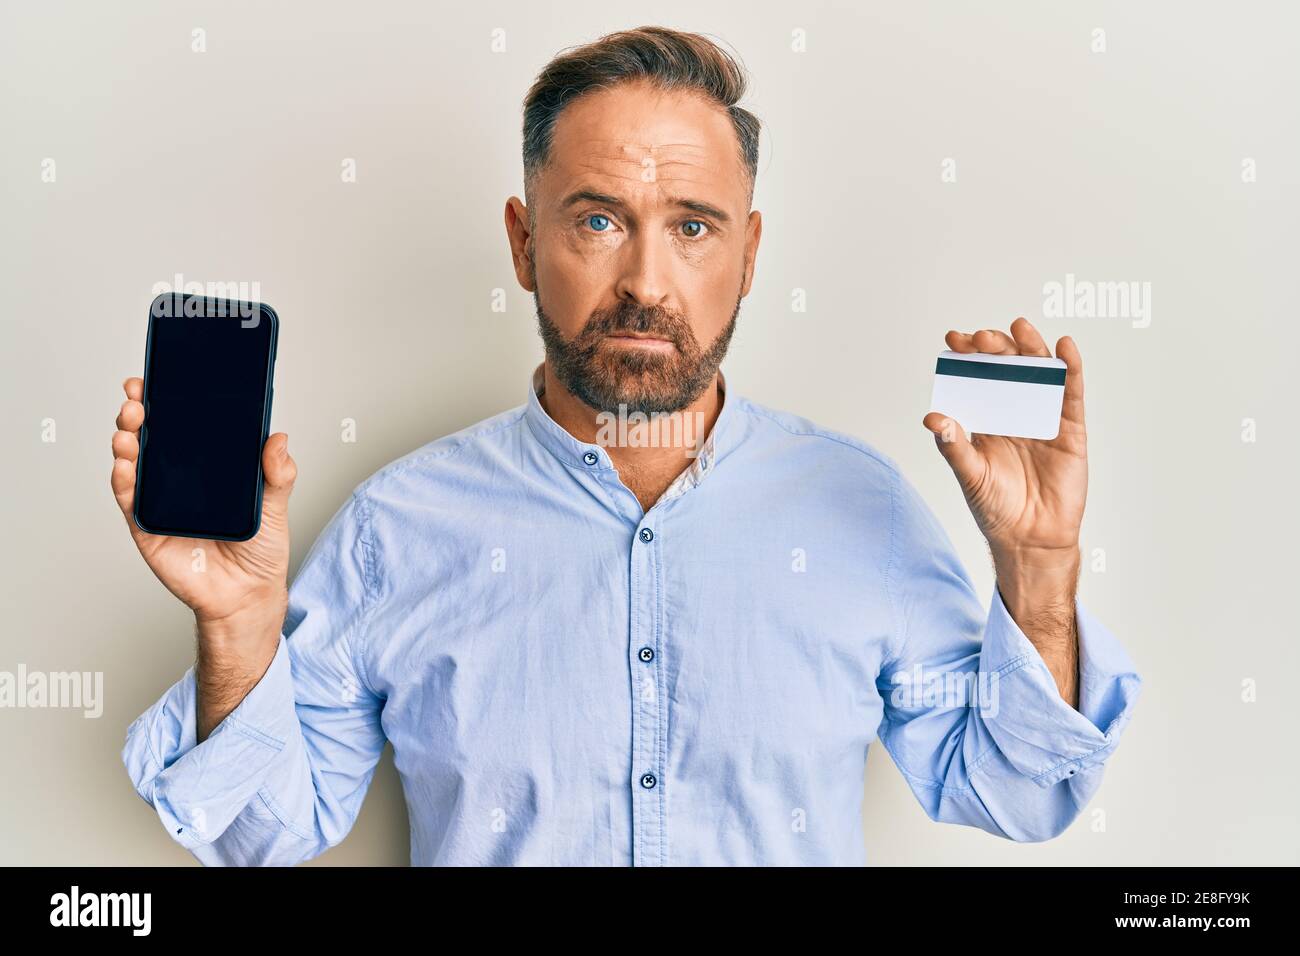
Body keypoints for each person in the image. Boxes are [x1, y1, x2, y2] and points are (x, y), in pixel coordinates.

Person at [113, 26, 1141, 866]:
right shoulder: (398, 527)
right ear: (524, 242)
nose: (647, 282)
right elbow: (259, 835)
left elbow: (1017, 792)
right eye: (599, 220)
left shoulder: (862, 512)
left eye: (693, 227)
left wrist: (1038, 569)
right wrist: (236, 629)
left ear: (748, 256)